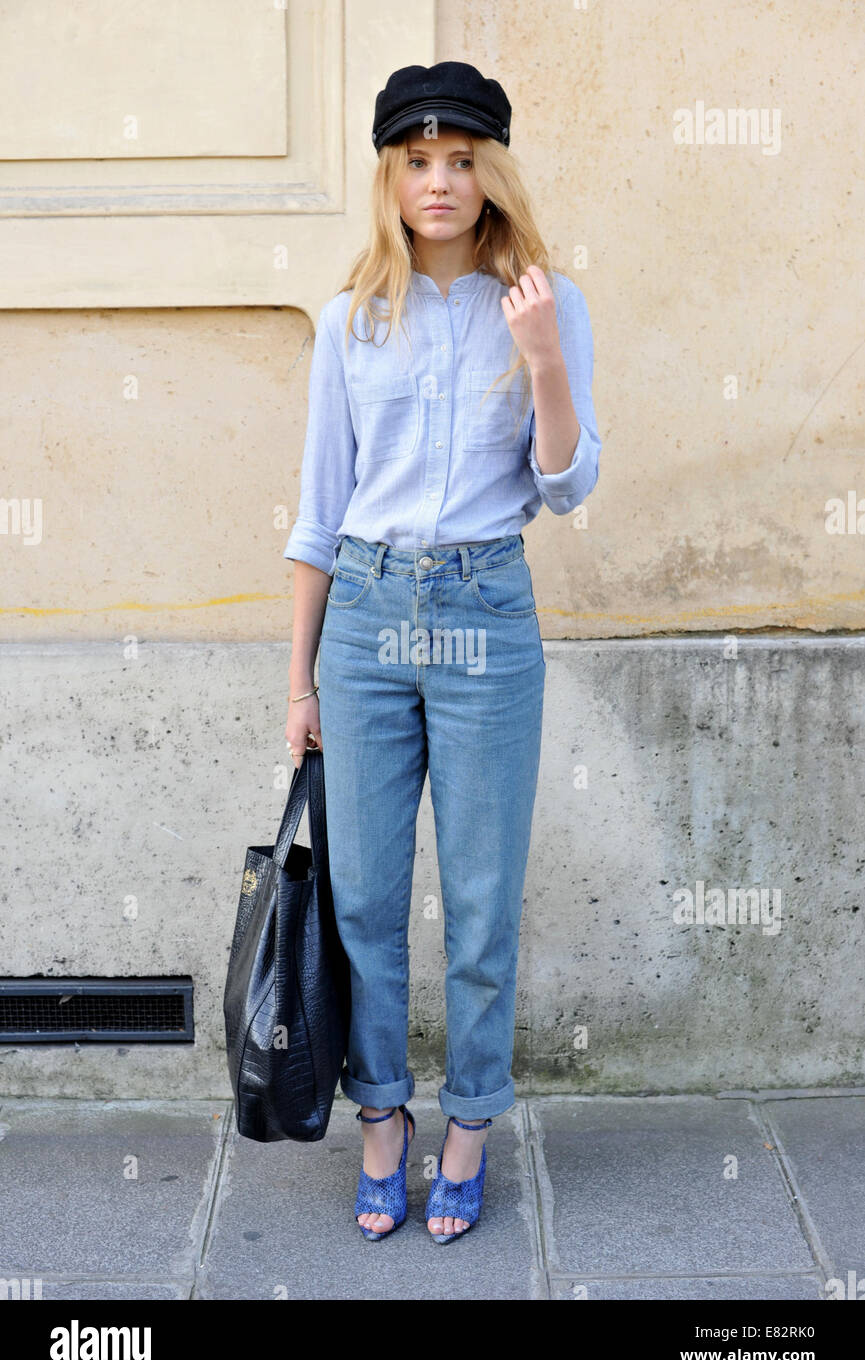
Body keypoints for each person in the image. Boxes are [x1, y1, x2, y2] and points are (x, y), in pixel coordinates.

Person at [282, 61, 601, 1244]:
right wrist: (301, 679)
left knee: (478, 899)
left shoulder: (545, 301)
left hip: (482, 612)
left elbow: (566, 485)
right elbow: (319, 514)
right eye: (417, 161)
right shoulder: (349, 316)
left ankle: (469, 1123)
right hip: (366, 614)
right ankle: (381, 1119)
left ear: (493, 172)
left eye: (462, 159)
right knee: (363, 896)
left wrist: (543, 361)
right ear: (388, 176)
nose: (439, 182)